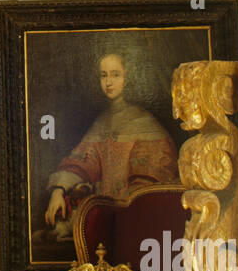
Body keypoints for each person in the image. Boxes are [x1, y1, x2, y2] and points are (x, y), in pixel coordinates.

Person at [43, 50, 179, 243]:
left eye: (116, 75)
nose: (108, 82)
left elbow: (153, 175)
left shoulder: (144, 121)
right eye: (103, 75)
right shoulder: (102, 121)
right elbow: (82, 161)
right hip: (104, 218)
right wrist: (59, 190)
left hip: (134, 218)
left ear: (128, 77)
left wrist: (121, 209)